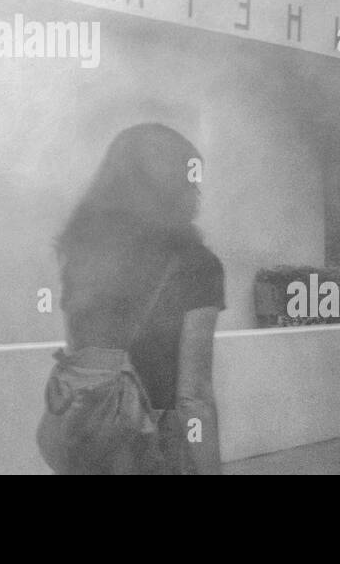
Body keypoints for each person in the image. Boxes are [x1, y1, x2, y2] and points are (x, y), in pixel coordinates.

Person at [50, 123, 225, 474]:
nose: (197, 191)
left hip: (90, 438)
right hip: (154, 443)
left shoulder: (82, 255)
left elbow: (83, 354)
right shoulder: (196, 265)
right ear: (172, 188)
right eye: (191, 180)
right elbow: (194, 397)